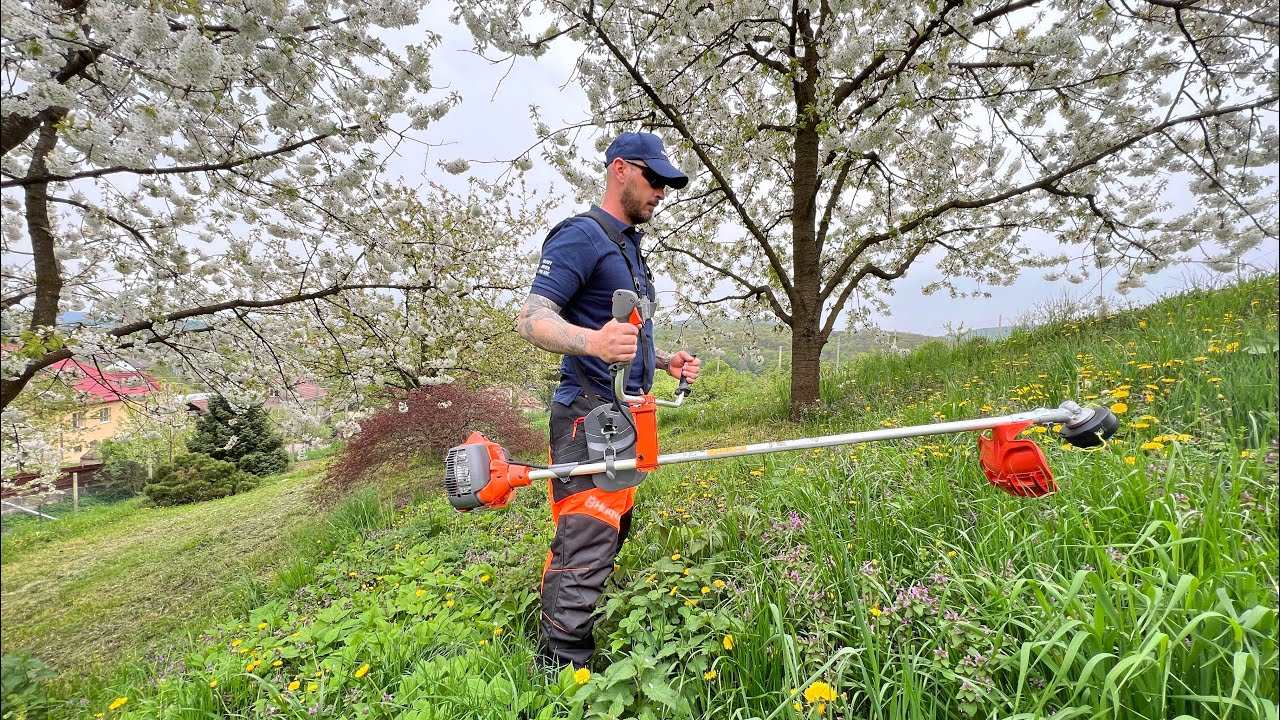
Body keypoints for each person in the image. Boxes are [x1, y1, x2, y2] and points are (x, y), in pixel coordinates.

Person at [516, 131, 702, 671]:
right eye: (654, 178)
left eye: (667, 183)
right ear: (620, 169)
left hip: (623, 415)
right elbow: (532, 319)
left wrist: (662, 361)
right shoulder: (582, 236)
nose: (661, 191)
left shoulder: (628, 248)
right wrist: (593, 343)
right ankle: (560, 673)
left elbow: (624, 334)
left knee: (611, 529)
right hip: (587, 415)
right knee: (589, 537)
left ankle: (573, 626)